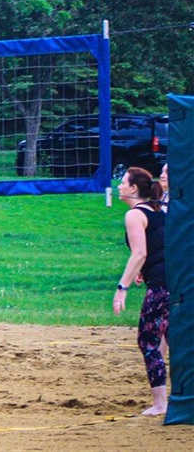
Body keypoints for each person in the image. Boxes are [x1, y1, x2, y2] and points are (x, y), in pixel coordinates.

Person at [113, 167, 169, 416]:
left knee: (148, 342)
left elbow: (140, 253)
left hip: (161, 286)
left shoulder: (135, 214)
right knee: (172, 341)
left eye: (123, 182)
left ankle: (161, 404)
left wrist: (121, 288)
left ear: (134, 188)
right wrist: (143, 270)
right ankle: (175, 398)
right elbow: (158, 247)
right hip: (174, 283)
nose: (119, 186)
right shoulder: (158, 211)